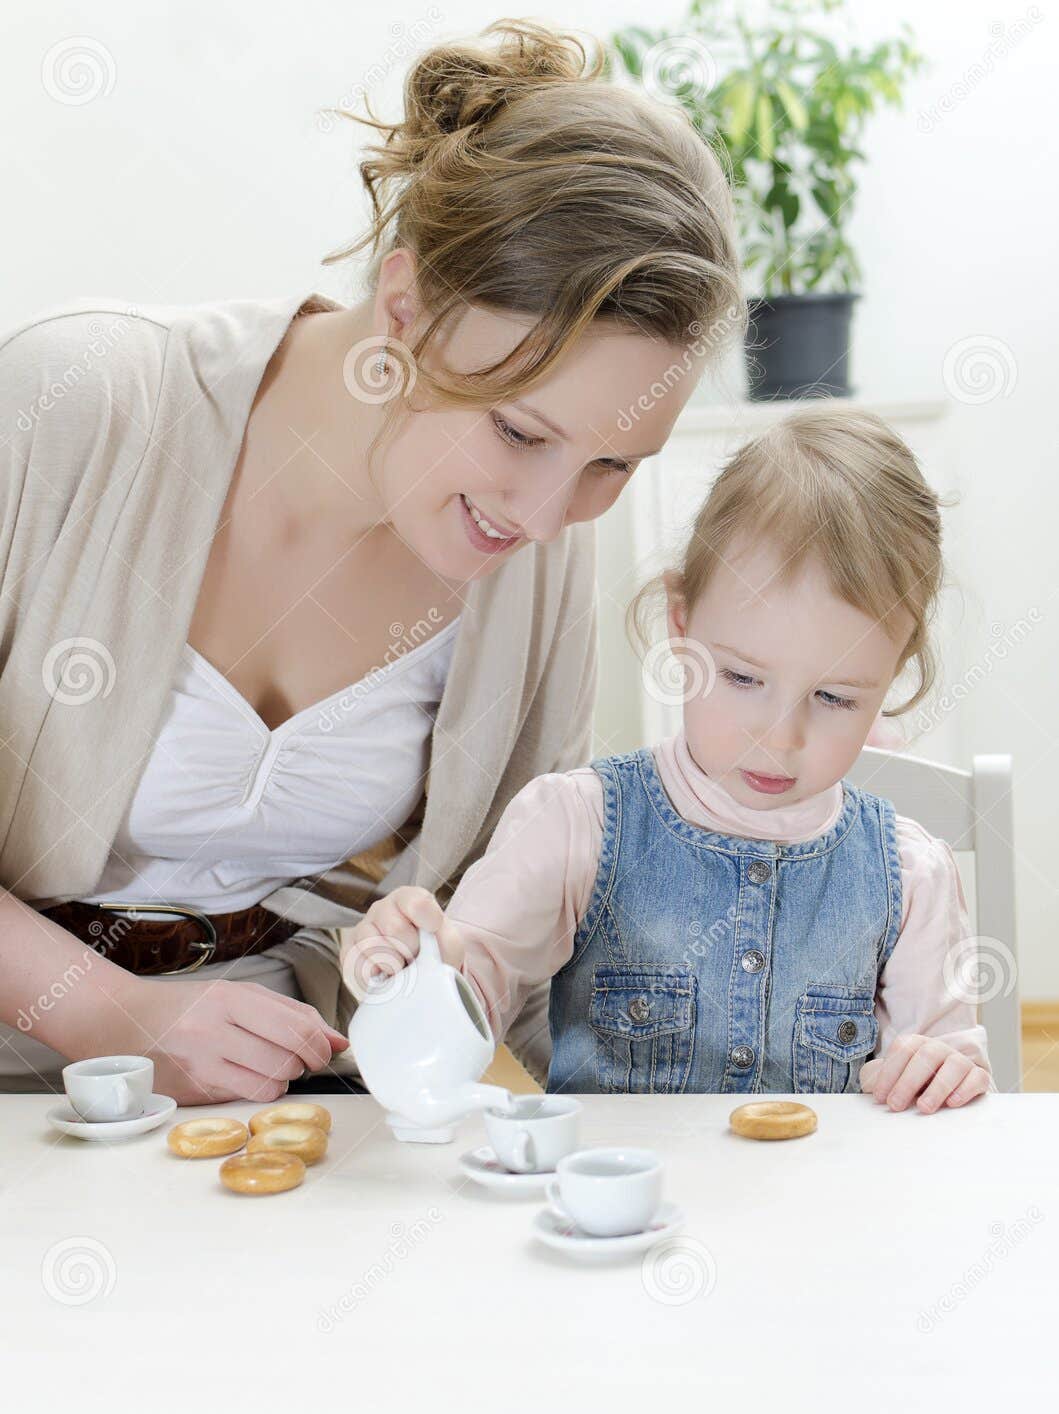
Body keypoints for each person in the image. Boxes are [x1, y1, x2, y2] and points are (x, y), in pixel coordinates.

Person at [0, 20, 743, 1103]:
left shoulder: (531, 548)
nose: (546, 518)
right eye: (520, 434)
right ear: (403, 308)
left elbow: (521, 911)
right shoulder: (74, 403)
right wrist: (118, 1017)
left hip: (297, 1092)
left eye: (613, 465)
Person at [344, 409, 993, 1112]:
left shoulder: (912, 877)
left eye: (833, 697)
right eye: (744, 679)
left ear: (891, 671)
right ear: (681, 627)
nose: (778, 738)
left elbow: (941, 1076)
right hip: (616, 1217)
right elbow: (468, 987)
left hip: (819, 1215)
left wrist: (942, 1073)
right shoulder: (576, 824)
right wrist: (414, 964)